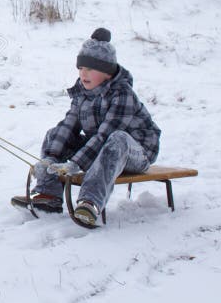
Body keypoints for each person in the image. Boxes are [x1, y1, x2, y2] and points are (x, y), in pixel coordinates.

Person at [11, 28, 161, 228]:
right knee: (56, 134)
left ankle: (90, 202)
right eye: (81, 68)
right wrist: (48, 161)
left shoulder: (122, 93)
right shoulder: (82, 93)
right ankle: (48, 195)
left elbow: (106, 135)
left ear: (107, 72)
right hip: (103, 148)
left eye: (90, 69)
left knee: (117, 139)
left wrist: (75, 163)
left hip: (136, 151)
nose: (83, 74)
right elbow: (69, 124)